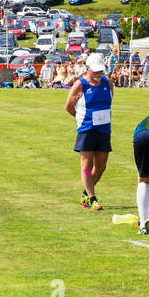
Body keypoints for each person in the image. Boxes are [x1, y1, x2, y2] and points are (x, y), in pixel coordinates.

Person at [65, 53, 112, 211]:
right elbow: (69, 106)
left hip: (104, 129)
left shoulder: (108, 83)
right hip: (87, 130)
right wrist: (81, 120)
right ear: (87, 69)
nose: (99, 74)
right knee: (87, 163)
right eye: (95, 71)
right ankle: (92, 198)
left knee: (101, 166)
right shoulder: (80, 85)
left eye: (101, 70)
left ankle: (86, 192)